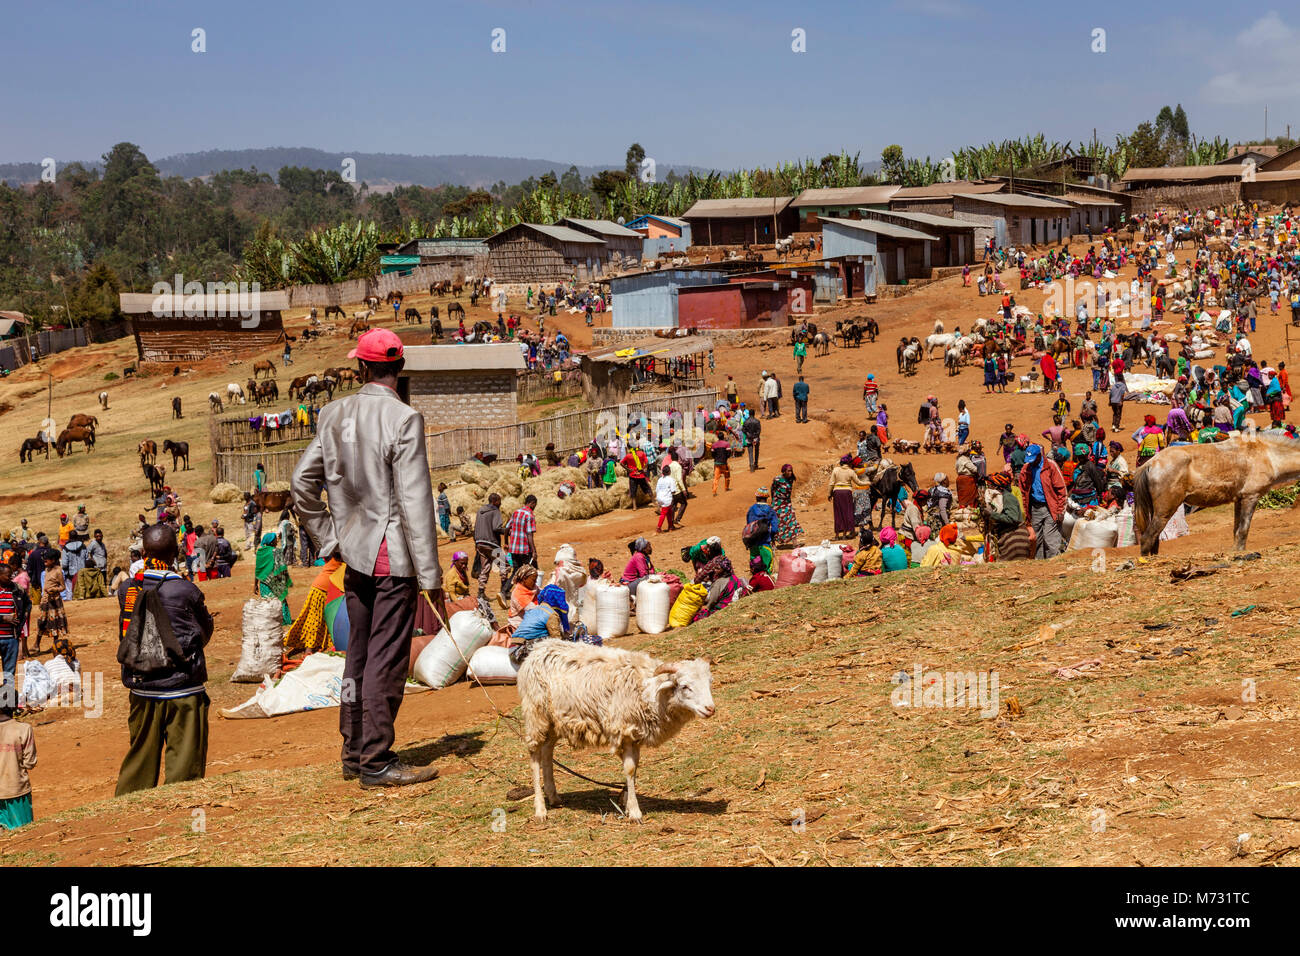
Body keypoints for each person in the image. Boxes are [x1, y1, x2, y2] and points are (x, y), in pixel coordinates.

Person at [291, 327, 444, 789]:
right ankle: (377, 759)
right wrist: (430, 574)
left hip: (354, 557)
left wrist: (329, 538)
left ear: (361, 367)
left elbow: (301, 483)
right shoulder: (404, 419)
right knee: (386, 657)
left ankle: (354, 751)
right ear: (399, 369)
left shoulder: (333, 414)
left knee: (357, 652)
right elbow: (416, 502)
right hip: (392, 559)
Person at [114, 524, 214, 795]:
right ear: (176, 553)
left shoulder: (127, 590)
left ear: (144, 552)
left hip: (141, 688)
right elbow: (204, 633)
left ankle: (125, 811)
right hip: (183, 690)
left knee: (139, 760)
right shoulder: (186, 590)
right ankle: (177, 819)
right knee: (185, 766)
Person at [1018, 444, 1067, 559]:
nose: (1031, 462)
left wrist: (1060, 510)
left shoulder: (1050, 466)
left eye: (1034, 460)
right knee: (1036, 540)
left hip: (1051, 508)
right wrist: (1026, 513)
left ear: (1040, 456)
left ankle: (1053, 565)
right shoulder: (1026, 469)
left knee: (1051, 541)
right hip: (1035, 508)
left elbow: (1061, 489)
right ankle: (1039, 567)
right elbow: (1023, 492)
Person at [0, 692, 36, 830]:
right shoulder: (23, 729)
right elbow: (30, 762)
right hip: (16, 791)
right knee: (23, 832)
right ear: (15, 706)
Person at [471, 494, 506, 598]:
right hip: (491, 543)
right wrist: (507, 531)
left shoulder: (480, 511)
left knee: (485, 567)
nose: (500, 503)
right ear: (495, 501)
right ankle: (504, 590)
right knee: (505, 564)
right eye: (499, 501)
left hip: (479, 543)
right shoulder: (495, 511)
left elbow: (476, 527)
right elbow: (496, 528)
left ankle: (481, 592)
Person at [0, 563, 25, 688]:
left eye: (11, 576)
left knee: (9, 673)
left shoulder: (17, 589)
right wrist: (3, 618)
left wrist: (20, 620)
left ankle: (7, 704)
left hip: (11, 638)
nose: (10, 578)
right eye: (7, 576)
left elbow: (27, 605)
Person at [36, 554, 66, 654]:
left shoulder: (58, 571)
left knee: (55, 623)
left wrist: (54, 589)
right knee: (41, 622)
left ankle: (55, 645)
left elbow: (63, 587)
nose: (45, 561)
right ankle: (36, 644)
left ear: (53, 560)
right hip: (45, 600)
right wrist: (42, 600)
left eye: (47, 559)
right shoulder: (46, 570)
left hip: (54, 601)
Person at [771, 464, 804, 546]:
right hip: (778, 504)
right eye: (788, 471)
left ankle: (795, 543)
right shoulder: (777, 479)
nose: (790, 472)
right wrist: (774, 502)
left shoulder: (791, 479)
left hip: (787, 503)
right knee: (776, 523)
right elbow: (773, 489)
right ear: (784, 471)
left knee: (791, 520)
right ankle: (773, 543)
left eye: (791, 470)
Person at [506, 495, 539, 569]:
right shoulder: (530, 515)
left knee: (516, 572)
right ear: (532, 503)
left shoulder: (516, 512)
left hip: (513, 549)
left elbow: (507, 527)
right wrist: (534, 551)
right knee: (532, 571)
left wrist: (506, 542)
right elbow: (529, 535)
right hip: (525, 550)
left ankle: (509, 581)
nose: (534, 508)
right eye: (534, 505)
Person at [654, 466, 677, 532]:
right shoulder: (671, 479)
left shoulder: (660, 479)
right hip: (666, 498)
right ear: (669, 472)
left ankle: (671, 526)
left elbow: (657, 490)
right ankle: (659, 527)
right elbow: (673, 491)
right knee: (663, 513)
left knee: (669, 512)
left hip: (659, 497)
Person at [710, 430, 732, 496]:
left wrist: (716, 458)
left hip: (717, 463)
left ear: (718, 437)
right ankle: (726, 487)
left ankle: (714, 491)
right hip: (724, 462)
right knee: (727, 476)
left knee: (716, 478)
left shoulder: (714, 445)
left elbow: (712, 454)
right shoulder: (726, 444)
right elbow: (729, 453)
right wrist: (726, 458)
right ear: (723, 437)